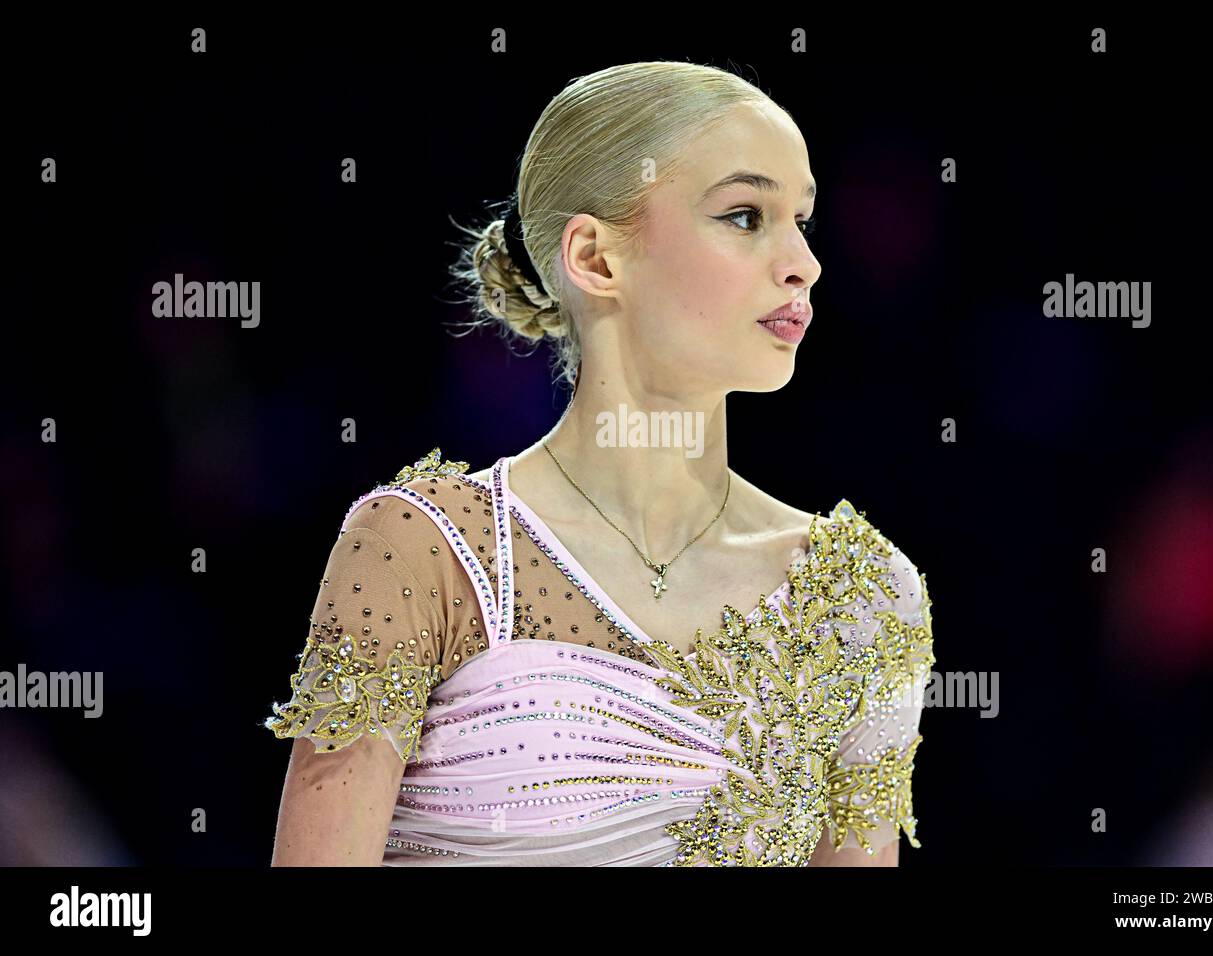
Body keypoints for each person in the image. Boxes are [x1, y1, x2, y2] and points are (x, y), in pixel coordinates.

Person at [265, 60, 936, 867]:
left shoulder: (860, 597)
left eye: (803, 220)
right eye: (746, 215)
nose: (803, 262)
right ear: (595, 256)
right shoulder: (425, 551)